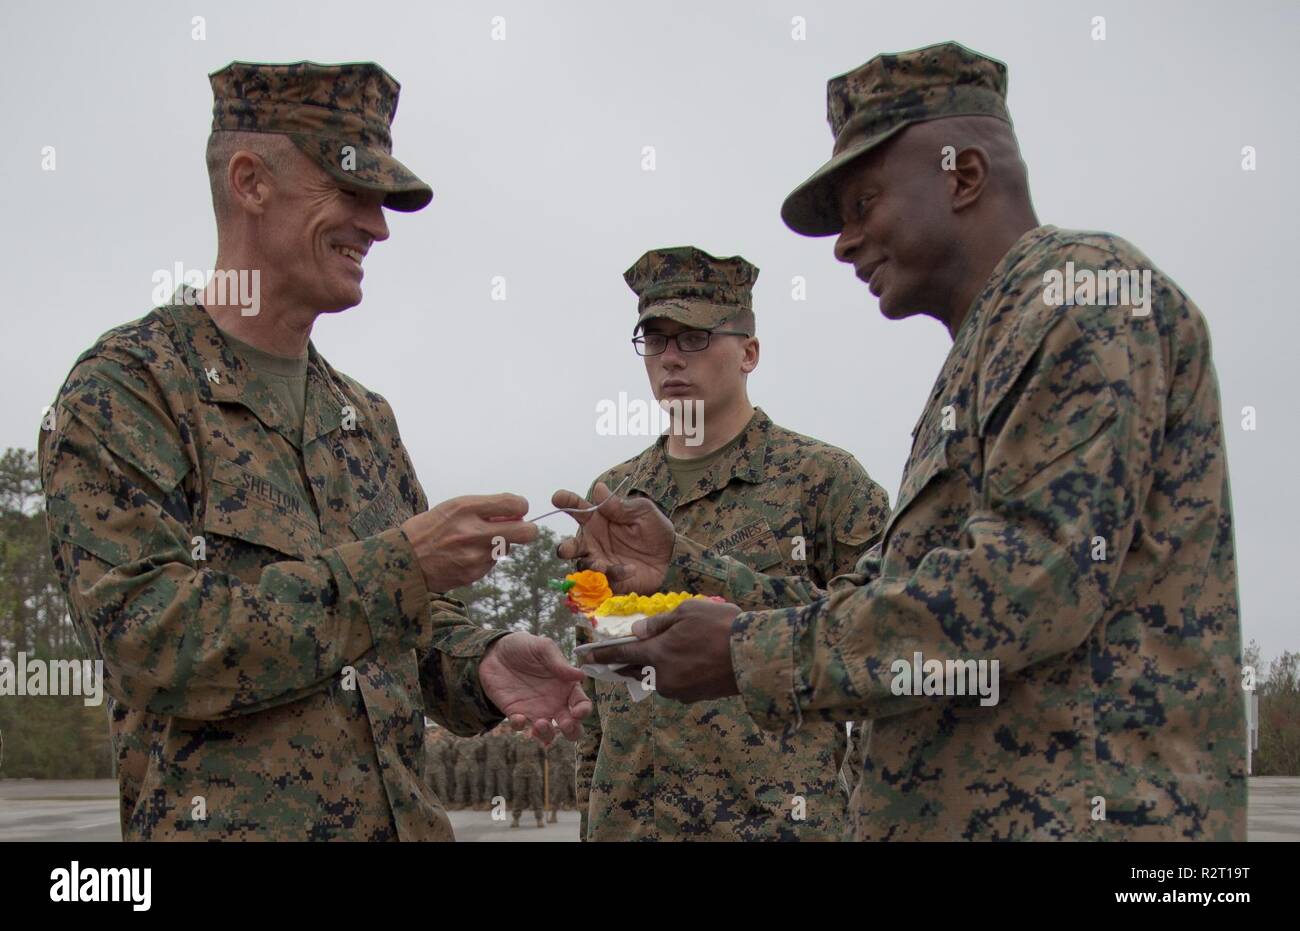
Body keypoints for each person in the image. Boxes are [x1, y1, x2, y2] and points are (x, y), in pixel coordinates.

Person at [563, 42, 1246, 841]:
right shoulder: (990, 348)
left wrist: (748, 651)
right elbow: (873, 600)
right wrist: (688, 572)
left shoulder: (1080, 297)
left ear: (963, 175)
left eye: (864, 204)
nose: (845, 243)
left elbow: (1029, 584)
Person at [38, 61, 589, 841]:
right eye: (350, 191)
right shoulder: (128, 393)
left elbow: (413, 625)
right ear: (250, 181)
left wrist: (485, 661)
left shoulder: (364, 417)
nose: (377, 225)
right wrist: (400, 563)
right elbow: (152, 644)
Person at [575, 246, 889, 840]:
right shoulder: (614, 497)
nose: (671, 357)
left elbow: (877, 643)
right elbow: (599, 678)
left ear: (749, 353)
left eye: (694, 337)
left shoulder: (824, 481)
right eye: (657, 339)